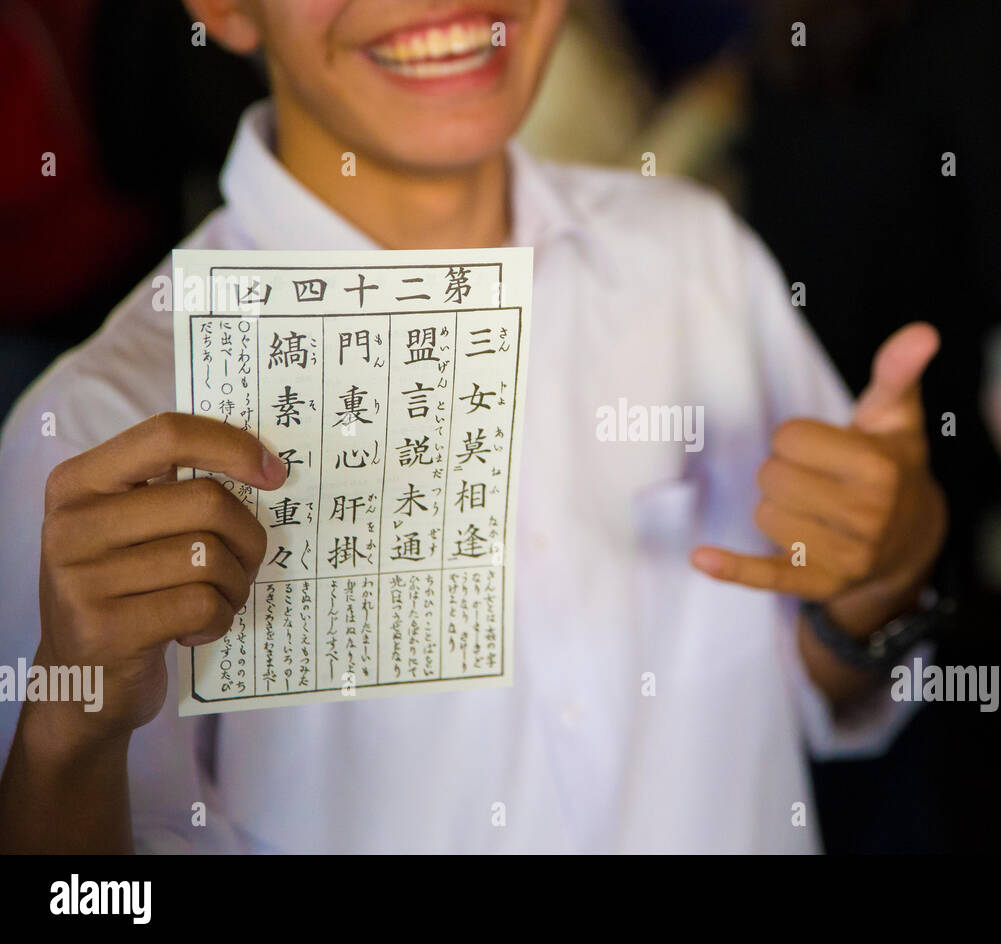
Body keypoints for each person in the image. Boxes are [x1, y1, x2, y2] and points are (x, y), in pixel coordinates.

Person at [0, 0, 946, 853]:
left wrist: (880, 582)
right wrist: (67, 739)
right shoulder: (94, 440)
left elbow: (819, 685)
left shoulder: (694, 258)